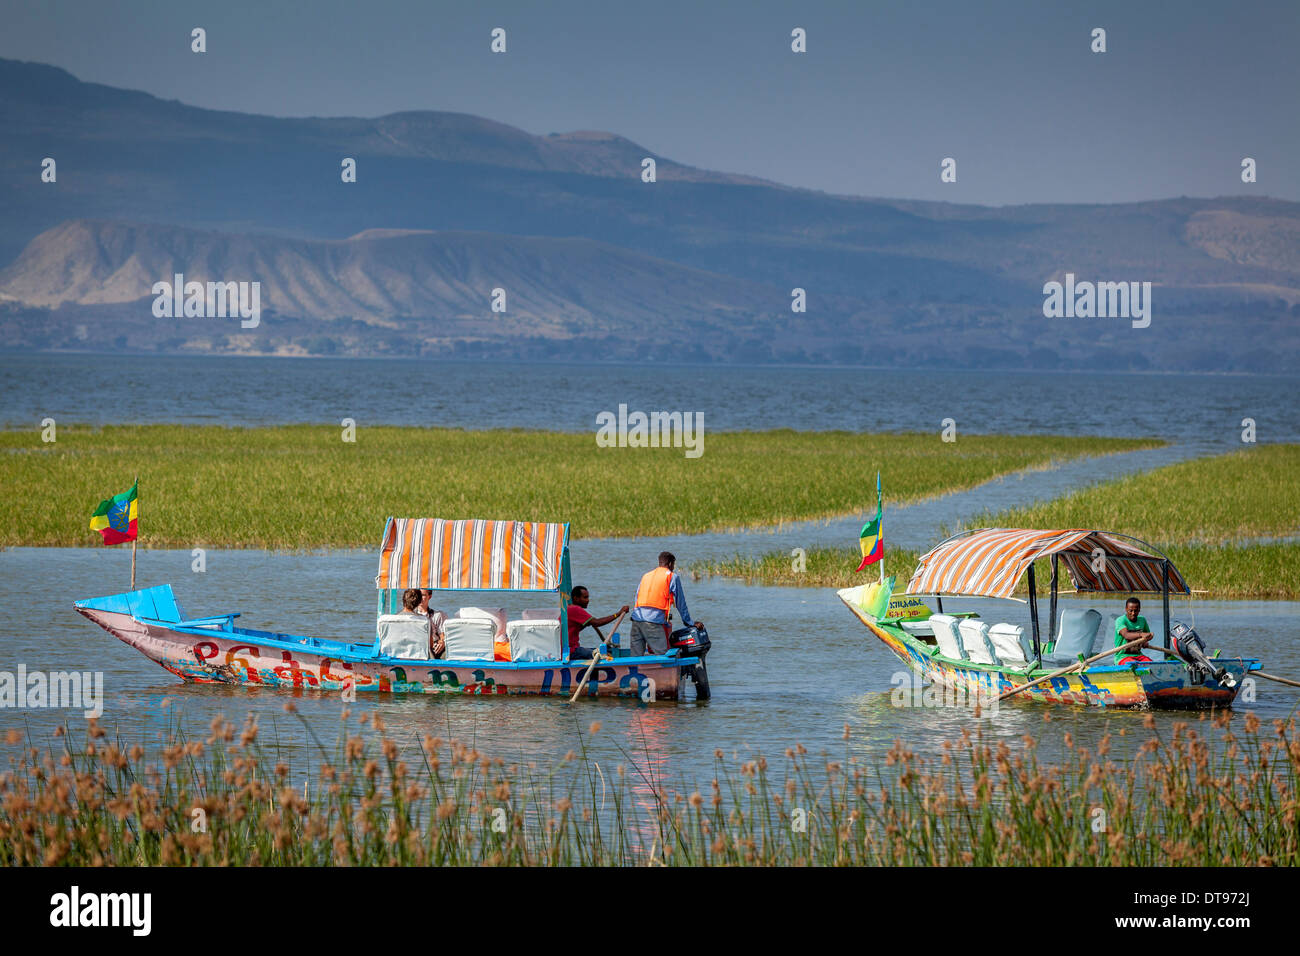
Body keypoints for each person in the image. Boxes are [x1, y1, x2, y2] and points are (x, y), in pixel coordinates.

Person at [629, 551, 701, 656]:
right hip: (652, 624)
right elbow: (680, 602)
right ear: (670, 564)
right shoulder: (672, 576)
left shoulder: (646, 576)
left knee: (635, 658)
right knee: (664, 657)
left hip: (636, 620)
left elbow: (637, 598)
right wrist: (689, 622)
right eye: (673, 565)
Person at [567, 586, 629, 660]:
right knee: (601, 655)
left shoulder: (569, 608)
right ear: (576, 598)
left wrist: (588, 623)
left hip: (570, 649)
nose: (588, 600)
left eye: (588, 597)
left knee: (605, 651)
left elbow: (574, 628)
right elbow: (597, 622)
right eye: (585, 597)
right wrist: (618, 614)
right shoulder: (575, 609)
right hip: (571, 651)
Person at [1114, 597, 1154, 664]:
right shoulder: (1120, 620)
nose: (1133, 613)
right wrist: (1141, 634)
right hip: (1122, 657)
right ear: (1126, 609)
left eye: (1135, 611)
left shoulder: (1142, 620)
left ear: (1139, 610)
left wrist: (1145, 641)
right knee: (1134, 664)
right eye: (1130, 610)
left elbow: (1148, 635)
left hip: (1138, 655)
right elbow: (1126, 635)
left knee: (1152, 664)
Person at [417, 588, 446, 658]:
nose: (420, 598)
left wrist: (442, 642)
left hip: (433, 646)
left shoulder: (437, 615)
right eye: (418, 595)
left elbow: (443, 635)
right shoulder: (411, 616)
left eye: (423, 595)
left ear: (429, 596)